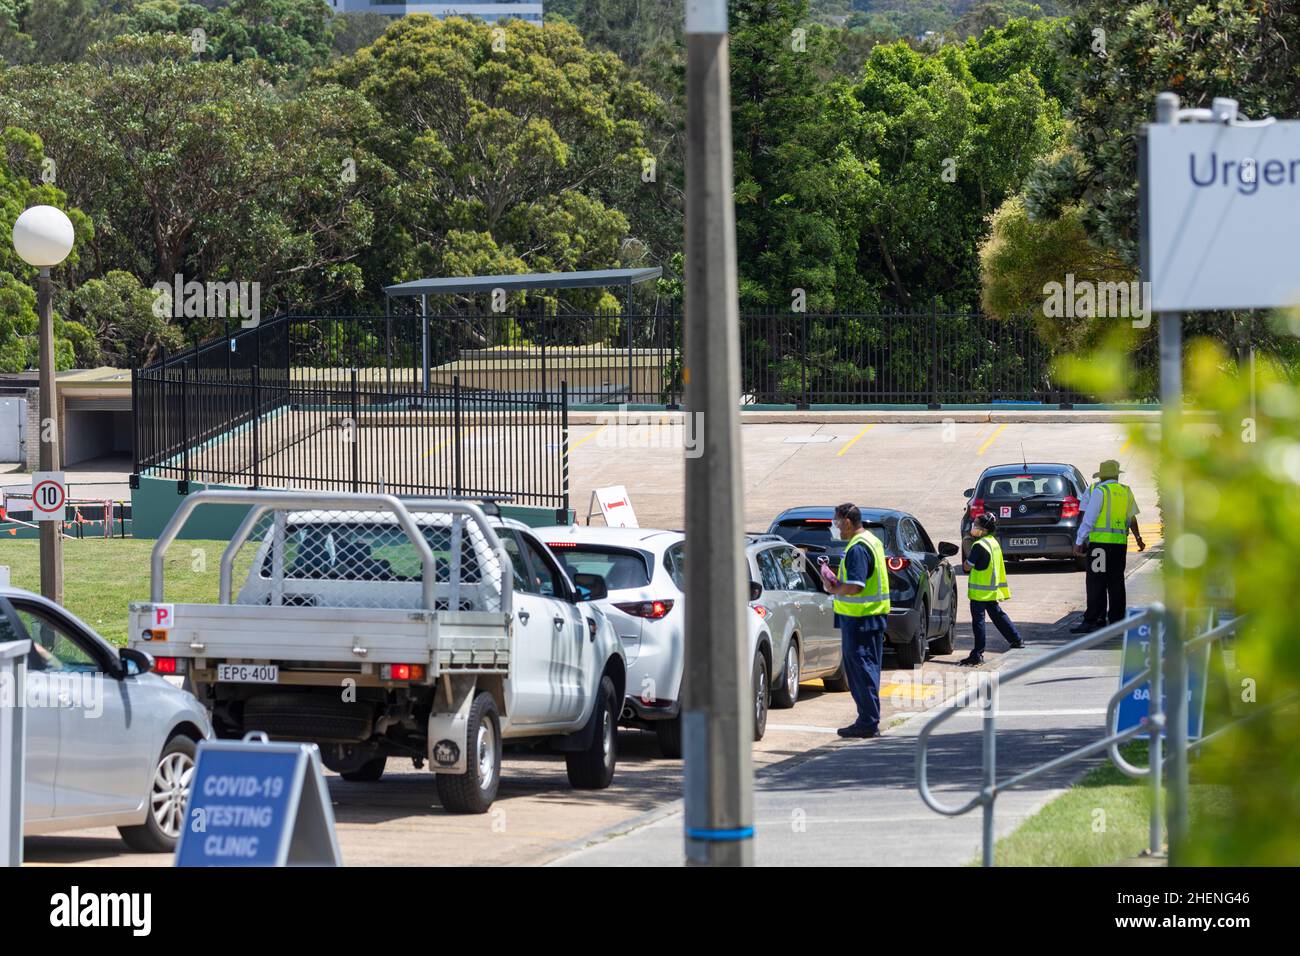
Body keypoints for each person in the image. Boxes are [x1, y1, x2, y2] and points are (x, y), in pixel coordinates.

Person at [820, 503, 890, 738]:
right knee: (868, 668)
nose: (835, 526)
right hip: (870, 617)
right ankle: (868, 719)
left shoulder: (858, 548)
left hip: (860, 619)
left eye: (837, 522)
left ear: (848, 522)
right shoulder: (872, 540)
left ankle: (868, 722)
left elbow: (857, 586)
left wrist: (834, 587)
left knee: (861, 670)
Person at [1072, 459, 1145, 633]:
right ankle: (1117, 620)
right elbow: (1131, 517)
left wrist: (1079, 541)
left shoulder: (1100, 491)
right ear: (1116, 475)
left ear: (1102, 475)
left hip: (1100, 546)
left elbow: (1089, 518)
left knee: (1096, 581)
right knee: (1116, 582)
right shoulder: (1126, 491)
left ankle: (1094, 620)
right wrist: (1138, 538)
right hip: (1119, 545)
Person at [959, 513, 1024, 666]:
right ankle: (1016, 639)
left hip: (979, 593)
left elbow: (967, 566)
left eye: (975, 525)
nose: (972, 527)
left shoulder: (978, 545)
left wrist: (967, 545)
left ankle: (977, 654)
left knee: (979, 622)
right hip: (991, 589)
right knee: (998, 615)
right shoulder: (993, 542)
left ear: (983, 529)